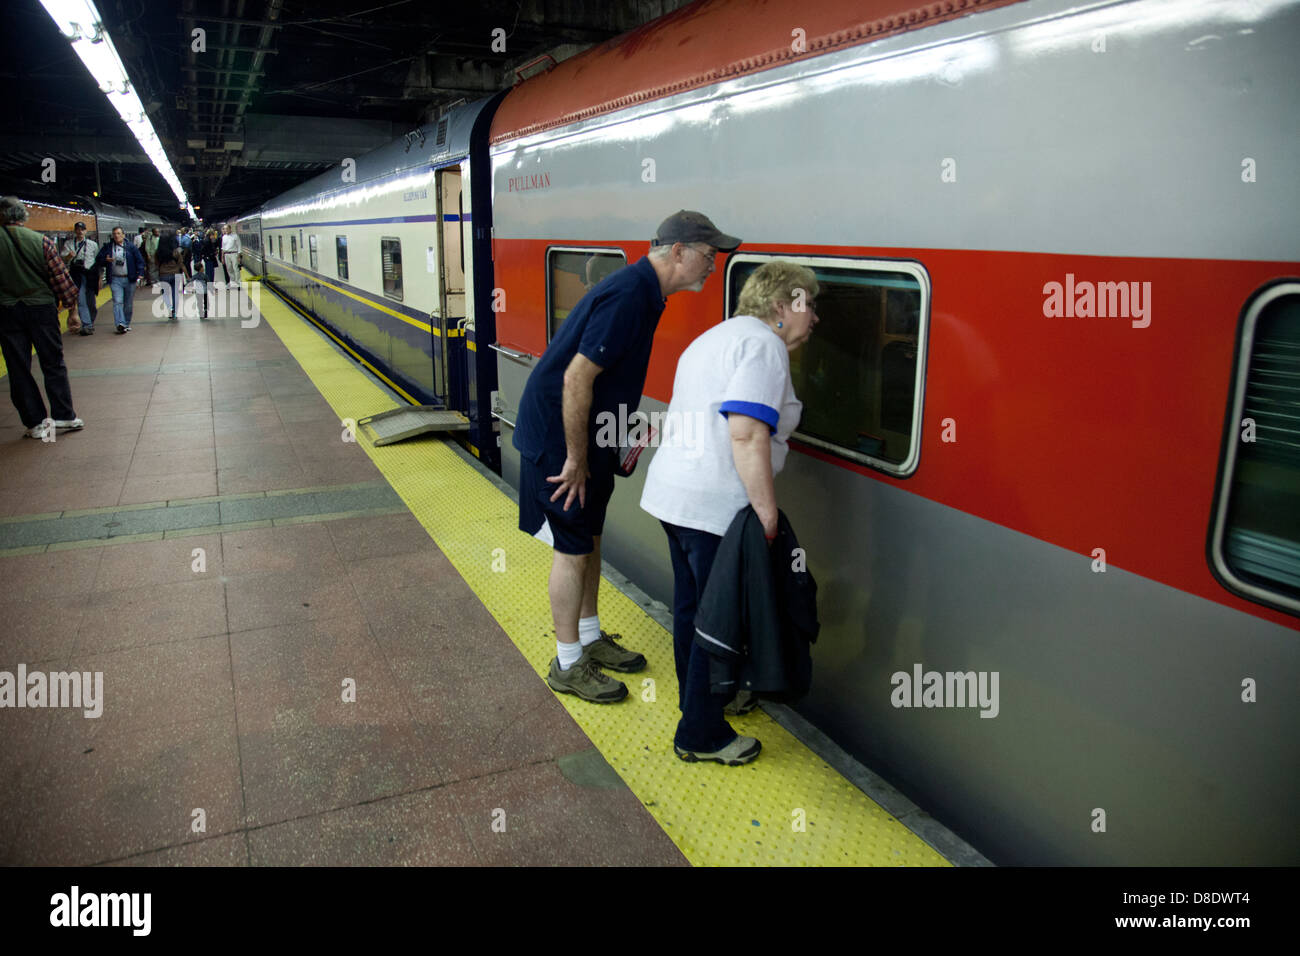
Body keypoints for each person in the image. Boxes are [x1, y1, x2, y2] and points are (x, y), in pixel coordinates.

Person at [514, 209, 741, 703]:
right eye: (708, 256)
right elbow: (576, 378)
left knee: (590, 534)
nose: (712, 266)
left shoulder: (647, 293)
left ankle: (590, 637)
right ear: (678, 251)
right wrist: (575, 459)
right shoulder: (630, 295)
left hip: (589, 432)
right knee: (572, 547)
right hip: (561, 435)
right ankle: (567, 663)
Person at [639, 259, 820, 765]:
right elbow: (746, 430)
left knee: (693, 610)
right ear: (782, 305)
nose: (815, 318)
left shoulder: (717, 337)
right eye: (809, 304)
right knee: (718, 621)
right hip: (714, 503)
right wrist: (766, 514)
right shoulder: (764, 347)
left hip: (674, 496)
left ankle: (696, 706)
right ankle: (701, 733)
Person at [0, 196, 83, 438]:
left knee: (18, 368)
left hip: (7, 312)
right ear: (23, 217)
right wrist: (73, 312)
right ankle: (63, 416)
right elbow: (62, 281)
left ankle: (35, 423)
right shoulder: (42, 242)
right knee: (53, 363)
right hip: (42, 311)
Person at [94, 226, 146, 333]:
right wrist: (105, 260)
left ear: (123, 235)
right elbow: (98, 259)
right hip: (115, 279)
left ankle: (126, 323)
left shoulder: (131, 247)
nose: (116, 236)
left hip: (129, 278)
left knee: (128, 303)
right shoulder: (108, 247)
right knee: (117, 301)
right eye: (114, 234)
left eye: (118, 233)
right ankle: (120, 324)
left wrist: (140, 274)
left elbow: (140, 261)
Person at [60, 221, 99, 334]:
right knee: (81, 300)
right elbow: (63, 260)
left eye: (82, 229)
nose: (80, 232)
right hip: (76, 274)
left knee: (91, 302)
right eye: (78, 229)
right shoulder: (68, 244)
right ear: (75, 231)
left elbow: (97, 261)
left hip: (90, 275)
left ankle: (90, 321)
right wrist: (68, 256)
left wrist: (99, 277)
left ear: (85, 231)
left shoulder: (93, 244)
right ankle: (87, 325)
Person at [154, 230, 190, 321]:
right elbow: (181, 264)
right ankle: (175, 312)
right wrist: (187, 276)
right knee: (175, 294)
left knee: (165, 294)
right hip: (176, 274)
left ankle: (170, 309)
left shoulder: (158, 253)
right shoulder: (175, 252)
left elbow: (156, 264)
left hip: (163, 275)